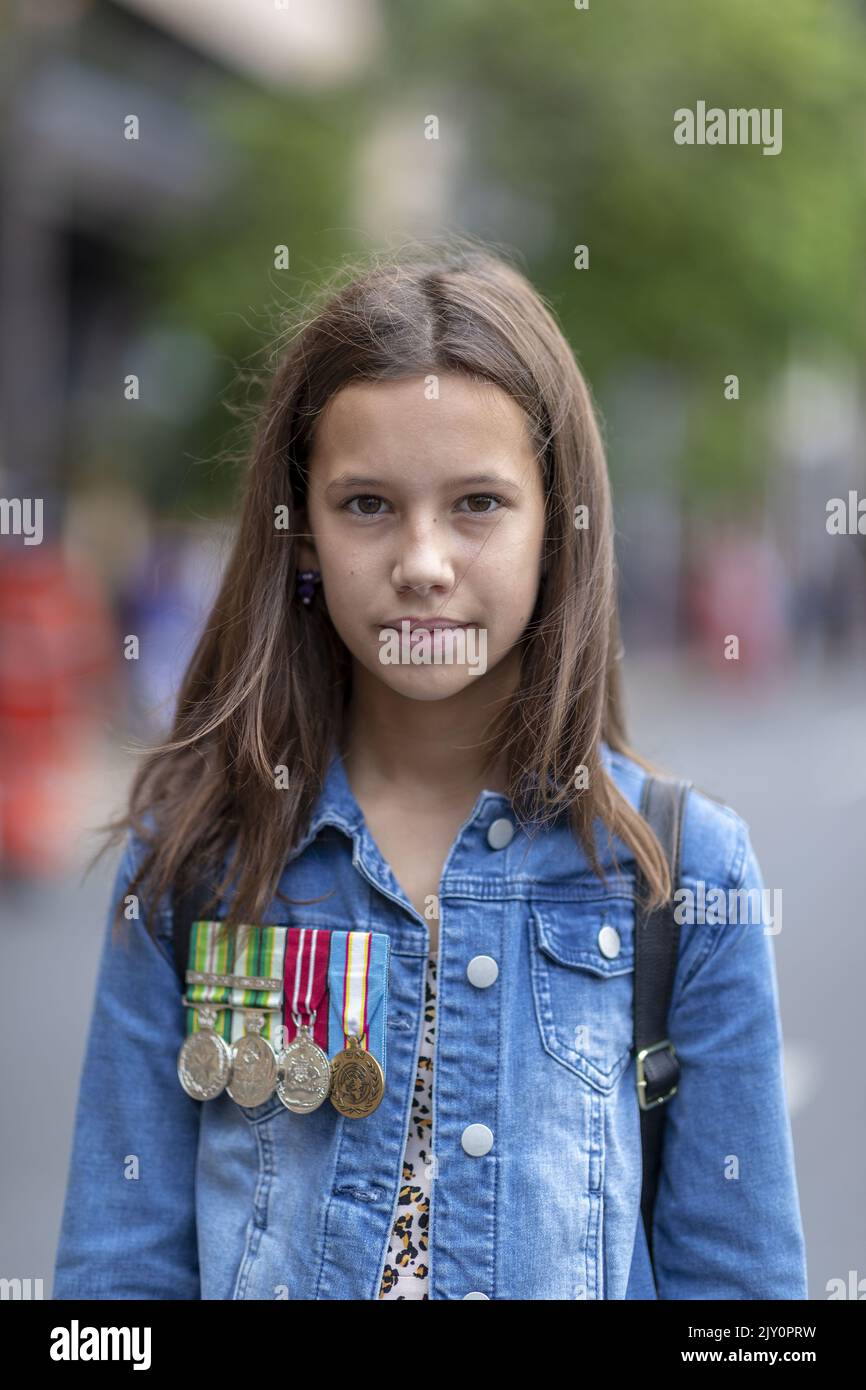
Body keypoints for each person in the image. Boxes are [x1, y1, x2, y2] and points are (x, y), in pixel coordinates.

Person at [52, 237, 807, 1301]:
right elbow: (114, 1281)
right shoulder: (195, 858)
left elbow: (742, 1299)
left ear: (556, 529)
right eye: (366, 504)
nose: (420, 561)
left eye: (477, 505)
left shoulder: (687, 874)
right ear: (301, 532)